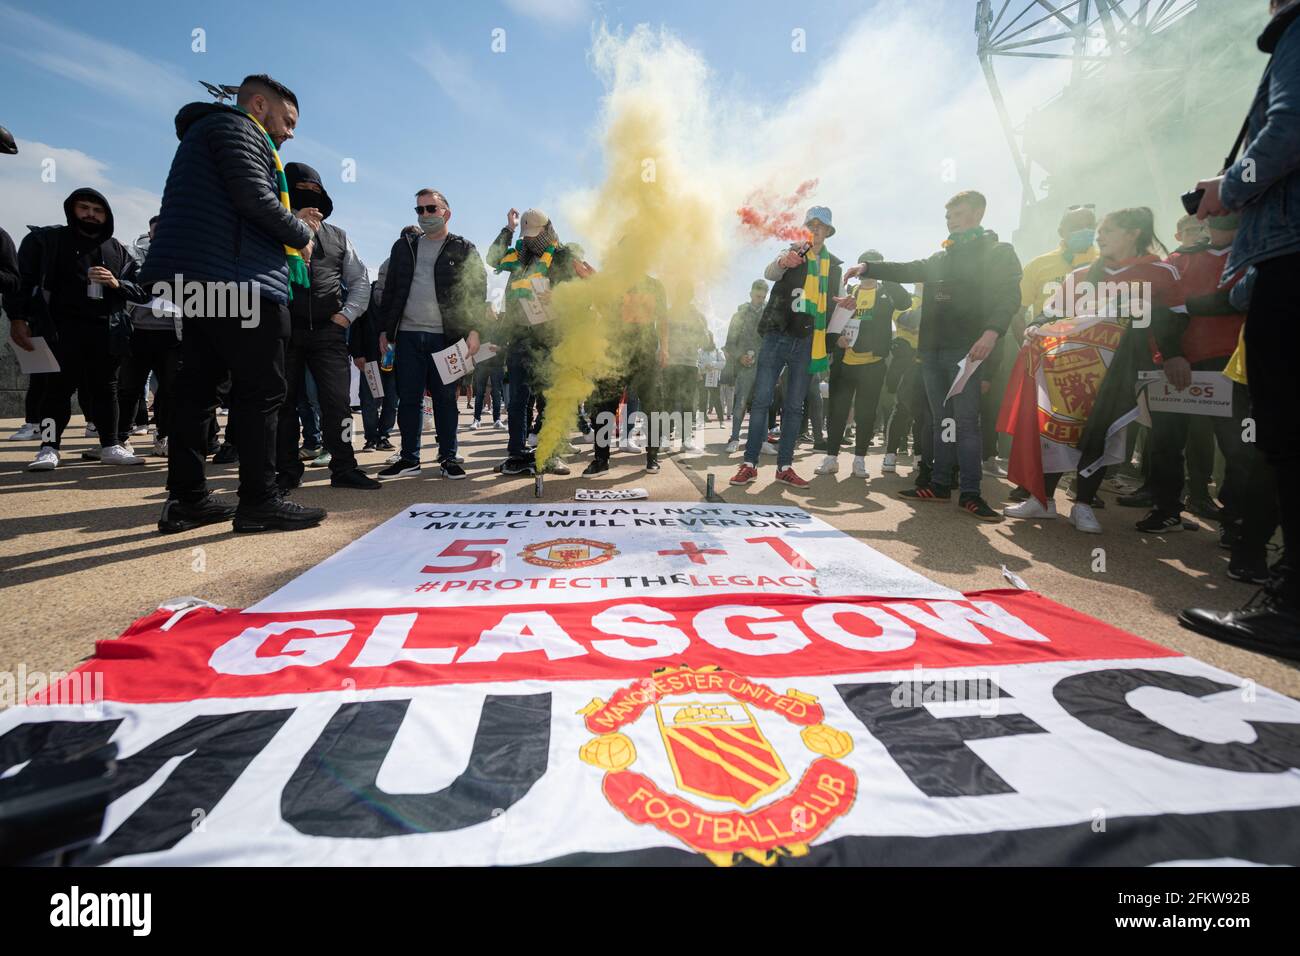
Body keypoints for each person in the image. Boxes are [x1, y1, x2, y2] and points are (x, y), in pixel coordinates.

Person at [146, 73, 326, 533]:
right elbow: (256, 199)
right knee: (262, 392)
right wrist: (301, 234)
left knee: (196, 391)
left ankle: (187, 500)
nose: (289, 132)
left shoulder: (204, 135)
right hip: (240, 280)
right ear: (260, 105)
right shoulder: (239, 129)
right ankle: (259, 500)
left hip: (200, 282)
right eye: (287, 120)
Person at [1181, 0, 1300, 653]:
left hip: (1289, 251)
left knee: (1283, 437)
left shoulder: (1297, 26)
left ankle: (1292, 608)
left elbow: (1286, 130)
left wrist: (1226, 188)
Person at [1002, 207, 1184, 533]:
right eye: (1099, 231)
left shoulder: (1160, 273)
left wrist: (1174, 356)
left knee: (1101, 433)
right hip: (1069, 371)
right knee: (1057, 432)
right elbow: (1047, 314)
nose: (1099, 236)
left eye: (1108, 230)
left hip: (1122, 373)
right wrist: (1035, 327)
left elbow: (1172, 324)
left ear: (1134, 233)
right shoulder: (1081, 276)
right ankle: (1041, 500)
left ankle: (1083, 504)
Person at [848, 191, 1022, 519]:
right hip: (930, 352)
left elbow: (1009, 295)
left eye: (957, 214)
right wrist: (869, 267)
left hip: (965, 352)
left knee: (966, 422)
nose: (951, 220)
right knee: (941, 420)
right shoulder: (940, 258)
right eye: (948, 216)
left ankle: (970, 492)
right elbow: (908, 268)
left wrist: (991, 332)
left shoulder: (998, 252)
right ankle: (939, 483)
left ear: (977, 214)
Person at [7, 187, 148, 471]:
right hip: (58, 330)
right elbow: (22, 283)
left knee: (106, 390)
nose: (90, 215)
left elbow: (141, 291)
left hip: (106, 331)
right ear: (72, 209)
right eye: (84, 208)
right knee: (55, 391)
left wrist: (116, 283)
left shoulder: (116, 249)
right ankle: (48, 447)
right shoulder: (47, 240)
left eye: (97, 211)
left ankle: (110, 445)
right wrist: (17, 319)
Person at [1136, 214, 1251, 535]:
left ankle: (1236, 521)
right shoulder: (1178, 260)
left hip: (1233, 366)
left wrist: (1191, 306)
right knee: (1165, 442)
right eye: (1214, 220)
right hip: (1178, 364)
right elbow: (1160, 310)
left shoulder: (1252, 255)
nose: (1218, 226)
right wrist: (1172, 354)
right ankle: (1167, 510)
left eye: (1232, 218)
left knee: (1239, 448)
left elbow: (1241, 299)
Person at [273, 162, 376, 491]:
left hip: (329, 334)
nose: (310, 202)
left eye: (316, 194)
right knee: (283, 404)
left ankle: (344, 466)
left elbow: (360, 280)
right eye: (301, 192)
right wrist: (292, 234)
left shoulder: (339, 236)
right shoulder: (268, 229)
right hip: (284, 330)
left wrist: (347, 314)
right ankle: (286, 471)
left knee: (338, 404)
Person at [376, 189, 487, 480]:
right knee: (409, 399)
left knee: (445, 399)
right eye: (419, 210)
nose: (424, 215)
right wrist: (385, 331)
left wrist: (474, 331)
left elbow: (477, 292)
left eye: (430, 209)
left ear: (446, 213)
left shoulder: (464, 248)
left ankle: (448, 456)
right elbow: (390, 291)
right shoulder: (404, 247)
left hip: (446, 338)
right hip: (408, 335)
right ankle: (409, 458)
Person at [730, 206, 842, 488]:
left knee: (794, 407)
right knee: (762, 401)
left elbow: (831, 304)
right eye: (811, 224)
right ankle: (749, 463)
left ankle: (785, 467)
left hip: (808, 341)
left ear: (828, 231)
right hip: (777, 335)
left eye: (821, 225)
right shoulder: (794, 251)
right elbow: (770, 273)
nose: (815, 229)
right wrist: (783, 263)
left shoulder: (834, 266)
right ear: (805, 227)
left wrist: (843, 309)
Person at [487, 208, 578, 476]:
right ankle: (516, 453)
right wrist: (509, 228)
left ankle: (550, 454)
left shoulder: (562, 257)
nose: (529, 241)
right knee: (517, 399)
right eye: (525, 236)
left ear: (548, 230)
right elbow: (492, 258)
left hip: (551, 338)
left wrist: (559, 297)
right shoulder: (518, 255)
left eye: (534, 236)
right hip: (519, 337)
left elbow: (579, 294)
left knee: (550, 398)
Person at [817, 251, 911, 478]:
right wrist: (836, 338)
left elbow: (905, 302)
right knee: (838, 411)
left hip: (873, 364)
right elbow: (831, 324)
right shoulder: (849, 292)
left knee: (866, 413)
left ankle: (859, 459)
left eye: (875, 266)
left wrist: (886, 274)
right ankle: (831, 458)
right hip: (845, 363)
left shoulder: (886, 292)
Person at [583, 274, 667, 475]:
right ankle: (601, 460)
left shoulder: (655, 285)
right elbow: (601, 312)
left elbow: (663, 318)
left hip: (645, 350)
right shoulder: (614, 282)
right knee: (604, 405)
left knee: (653, 405)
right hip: (616, 349)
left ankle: (652, 457)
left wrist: (664, 348)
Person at [112, 215, 178, 459]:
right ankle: (120, 439)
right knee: (129, 388)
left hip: (173, 335)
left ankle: (164, 436)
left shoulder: (187, 258)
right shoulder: (134, 258)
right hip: (137, 333)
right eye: (155, 232)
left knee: (170, 390)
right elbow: (123, 285)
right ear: (149, 235)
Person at [349, 264, 397, 452]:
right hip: (369, 356)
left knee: (392, 400)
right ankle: (370, 438)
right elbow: (356, 325)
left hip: (393, 358)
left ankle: (384, 436)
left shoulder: (398, 297)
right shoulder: (366, 295)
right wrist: (357, 353)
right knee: (369, 400)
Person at [882, 285, 923, 474]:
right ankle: (890, 454)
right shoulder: (905, 301)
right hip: (906, 364)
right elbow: (911, 321)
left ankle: (919, 455)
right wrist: (930, 305)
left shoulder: (939, 301)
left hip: (927, 363)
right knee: (902, 409)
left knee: (922, 412)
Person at [723, 280, 766, 452]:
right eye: (757, 296)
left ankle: (762, 441)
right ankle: (734, 439)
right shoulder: (739, 315)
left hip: (765, 366)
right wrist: (740, 357)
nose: (760, 300)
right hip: (745, 366)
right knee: (740, 403)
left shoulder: (769, 314)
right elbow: (729, 344)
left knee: (762, 404)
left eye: (763, 297)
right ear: (750, 294)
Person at [665, 282, 709, 452]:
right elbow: (659, 335)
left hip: (689, 364)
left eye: (687, 294)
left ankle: (686, 439)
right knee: (668, 401)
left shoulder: (697, 315)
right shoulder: (669, 313)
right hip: (671, 363)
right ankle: (664, 437)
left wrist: (699, 326)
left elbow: (706, 342)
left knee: (688, 403)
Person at [471, 301, 505, 429]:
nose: (489, 313)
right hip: (482, 364)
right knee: (479, 392)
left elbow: (507, 346)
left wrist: (499, 348)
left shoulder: (502, 327)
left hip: (497, 364)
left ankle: (497, 419)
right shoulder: (479, 328)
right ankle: (476, 419)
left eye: (491, 310)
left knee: (496, 393)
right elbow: (474, 345)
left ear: (496, 311)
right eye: (486, 311)